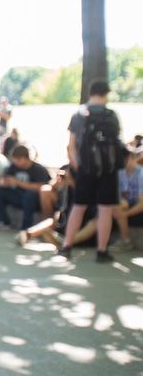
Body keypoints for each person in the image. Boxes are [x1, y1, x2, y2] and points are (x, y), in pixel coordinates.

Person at [58, 80, 122, 263]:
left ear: (90, 93)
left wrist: (80, 168)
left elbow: (71, 147)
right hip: (108, 170)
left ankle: (66, 246)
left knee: (78, 208)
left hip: (86, 169)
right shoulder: (112, 115)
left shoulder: (79, 115)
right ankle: (102, 251)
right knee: (105, 211)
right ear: (105, 94)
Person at [0, 145, 51, 230]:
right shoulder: (13, 167)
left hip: (33, 200)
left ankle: (26, 227)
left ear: (26, 158)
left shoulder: (38, 169)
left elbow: (41, 186)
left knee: (30, 195)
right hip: (16, 195)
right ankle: (3, 221)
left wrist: (18, 183)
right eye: (14, 159)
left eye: (18, 159)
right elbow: (3, 179)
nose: (16, 162)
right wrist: (3, 183)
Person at [110, 146, 143, 252]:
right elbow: (120, 196)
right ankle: (126, 240)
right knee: (118, 205)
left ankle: (126, 241)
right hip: (130, 205)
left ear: (132, 158)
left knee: (120, 207)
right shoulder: (120, 173)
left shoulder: (141, 174)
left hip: (139, 207)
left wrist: (126, 214)